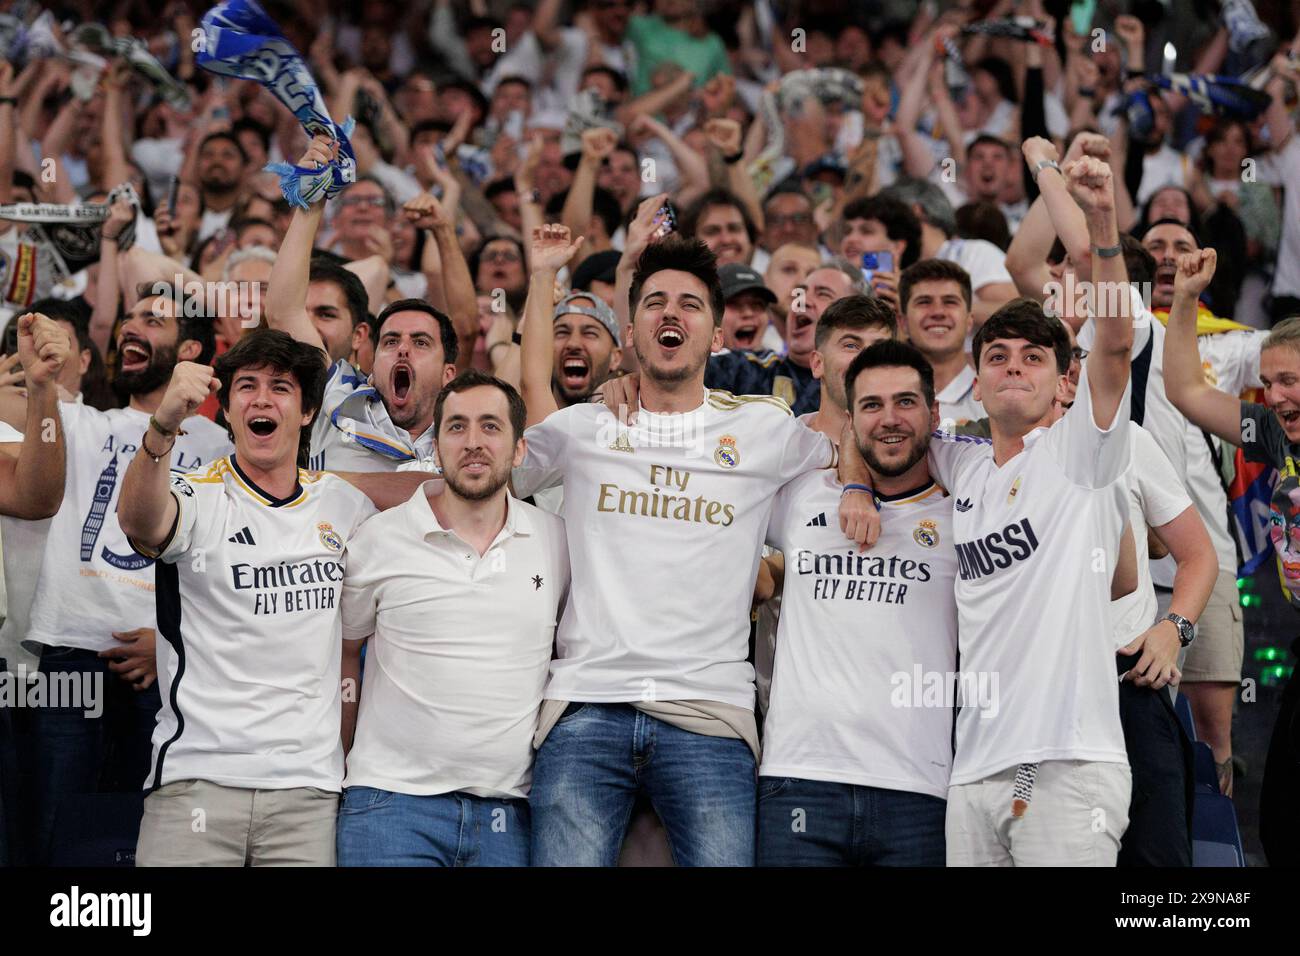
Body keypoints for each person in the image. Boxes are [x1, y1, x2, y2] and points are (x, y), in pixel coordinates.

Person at [515, 226, 873, 866]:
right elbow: (501, 456)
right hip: (589, 703)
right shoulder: (586, 428)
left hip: (711, 714)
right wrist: (543, 277)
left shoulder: (762, 427)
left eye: (690, 304)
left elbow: (856, 438)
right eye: (654, 303)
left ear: (715, 334)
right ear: (631, 334)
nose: (670, 314)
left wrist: (856, 488)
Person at [916, 156, 1136, 866]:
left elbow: (1118, 340)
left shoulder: (1080, 452)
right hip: (974, 768)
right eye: (999, 356)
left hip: (1068, 764)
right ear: (975, 384)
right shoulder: (963, 461)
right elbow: (873, 431)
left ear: (1064, 379)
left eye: (1034, 357)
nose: (1014, 365)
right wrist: (856, 484)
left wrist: (1102, 223)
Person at [117, 330, 378, 866]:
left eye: (280, 388)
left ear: (307, 412)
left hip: (309, 792)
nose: (262, 399)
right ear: (228, 410)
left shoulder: (346, 506)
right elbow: (140, 524)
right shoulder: (196, 492)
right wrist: (162, 427)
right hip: (197, 781)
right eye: (246, 387)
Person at [2, 290, 230, 866]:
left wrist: (173, 644)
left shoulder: (222, 446)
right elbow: (21, 420)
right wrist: (39, 380)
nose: (131, 326)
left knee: (146, 839)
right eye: (127, 317)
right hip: (70, 655)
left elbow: (230, 565)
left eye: (154, 320)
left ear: (191, 350)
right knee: (52, 831)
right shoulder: (75, 420)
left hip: (170, 668)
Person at [337, 371, 569, 866]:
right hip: (389, 805)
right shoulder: (379, 538)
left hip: (508, 814)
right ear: (437, 448)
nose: (473, 443)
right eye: (457, 427)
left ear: (519, 449)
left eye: (491, 427)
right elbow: (343, 652)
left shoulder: (559, 542)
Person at [759, 340, 957, 866]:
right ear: (851, 420)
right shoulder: (802, 497)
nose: (888, 419)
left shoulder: (967, 511)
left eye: (905, 402)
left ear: (935, 413)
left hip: (918, 786)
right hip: (799, 778)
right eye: (871, 405)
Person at [899, 259, 982, 426]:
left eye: (950, 301)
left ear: (969, 321)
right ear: (904, 323)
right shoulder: (882, 396)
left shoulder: (993, 398)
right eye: (924, 302)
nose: (938, 312)